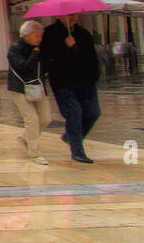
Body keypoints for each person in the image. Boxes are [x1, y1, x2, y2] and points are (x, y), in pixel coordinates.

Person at [40, 13, 100, 164]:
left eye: (74, 14)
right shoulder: (49, 34)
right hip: (63, 82)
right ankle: (78, 151)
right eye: (68, 14)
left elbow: (90, 58)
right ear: (59, 15)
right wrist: (64, 47)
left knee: (93, 113)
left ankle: (70, 137)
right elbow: (47, 58)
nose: (72, 17)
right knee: (74, 114)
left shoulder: (84, 34)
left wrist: (74, 47)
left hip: (86, 81)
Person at [7, 20, 50, 165]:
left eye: (41, 36)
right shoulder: (15, 49)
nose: (40, 39)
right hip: (20, 88)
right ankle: (35, 153)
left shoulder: (40, 47)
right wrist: (35, 54)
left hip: (37, 87)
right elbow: (23, 67)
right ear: (26, 35)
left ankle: (25, 138)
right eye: (37, 36)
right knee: (32, 119)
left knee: (45, 118)